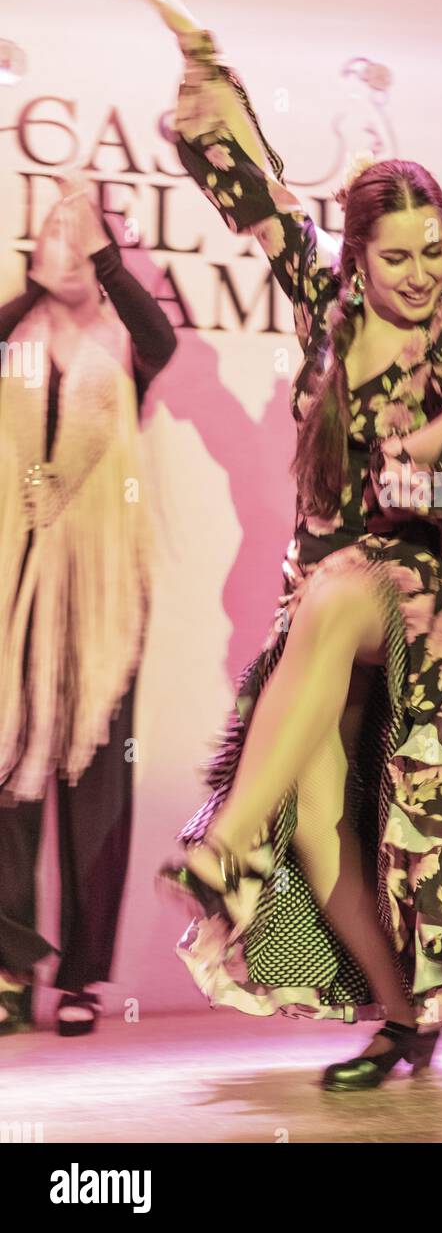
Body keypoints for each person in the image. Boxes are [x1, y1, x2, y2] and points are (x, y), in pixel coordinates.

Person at [133, 0, 442, 1091]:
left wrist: (416, 486)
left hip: (416, 609)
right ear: (353, 256)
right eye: (395, 255)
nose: (419, 272)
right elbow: (246, 186)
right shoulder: (325, 296)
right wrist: (204, 62)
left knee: (349, 589)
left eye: (434, 248)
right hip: (322, 602)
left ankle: (214, 852)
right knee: (313, 824)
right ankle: (401, 1019)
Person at [0, 175, 177, 1036]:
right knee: (9, 778)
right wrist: (37, 275)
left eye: (81, 238)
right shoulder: (16, 337)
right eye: (50, 236)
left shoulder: (122, 342)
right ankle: (7, 966)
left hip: (103, 601)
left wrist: (100, 251)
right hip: (13, 596)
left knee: (95, 787)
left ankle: (82, 979)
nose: (62, 245)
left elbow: (162, 334)